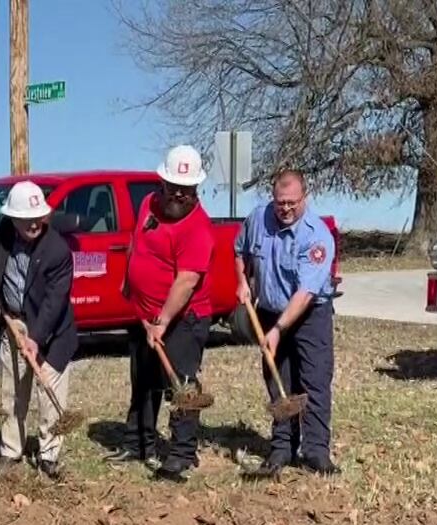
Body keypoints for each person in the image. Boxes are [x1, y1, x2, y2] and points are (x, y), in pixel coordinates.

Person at [119, 145, 214, 482]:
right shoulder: (148, 204)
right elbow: (137, 242)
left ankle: (182, 453)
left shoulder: (198, 227)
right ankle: (138, 442)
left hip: (183, 320)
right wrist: (128, 282)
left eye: (186, 189)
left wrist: (162, 321)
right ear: (161, 182)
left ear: (196, 189)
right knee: (143, 381)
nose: (179, 194)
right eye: (173, 186)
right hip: (144, 315)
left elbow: (187, 281)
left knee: (181, 384)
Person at [235, 169, 338, 476]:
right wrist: (243, 280)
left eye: (292, 202)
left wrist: (279, 329)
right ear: (273, 198)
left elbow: (306, 293)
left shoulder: (317, 236)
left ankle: (316, 452)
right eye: (280, 202)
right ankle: (282, 448)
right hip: (268, 310)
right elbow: (239, 251)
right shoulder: (258, 219)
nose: (286, 209)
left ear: (305, 197)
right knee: (278, 380)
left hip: (309, 315)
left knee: (314, 381)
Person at [0, 180, 78, 478]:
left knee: (49, 388)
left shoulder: (57, 251)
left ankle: (49, 455)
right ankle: (11, 450)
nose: (34, 224)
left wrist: (35, 338)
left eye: (39, 218)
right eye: (27, 219)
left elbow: (55, 301)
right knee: (13, 392)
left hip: (51, 326)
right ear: (13, 218)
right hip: (12, 318)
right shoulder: (0, 232)